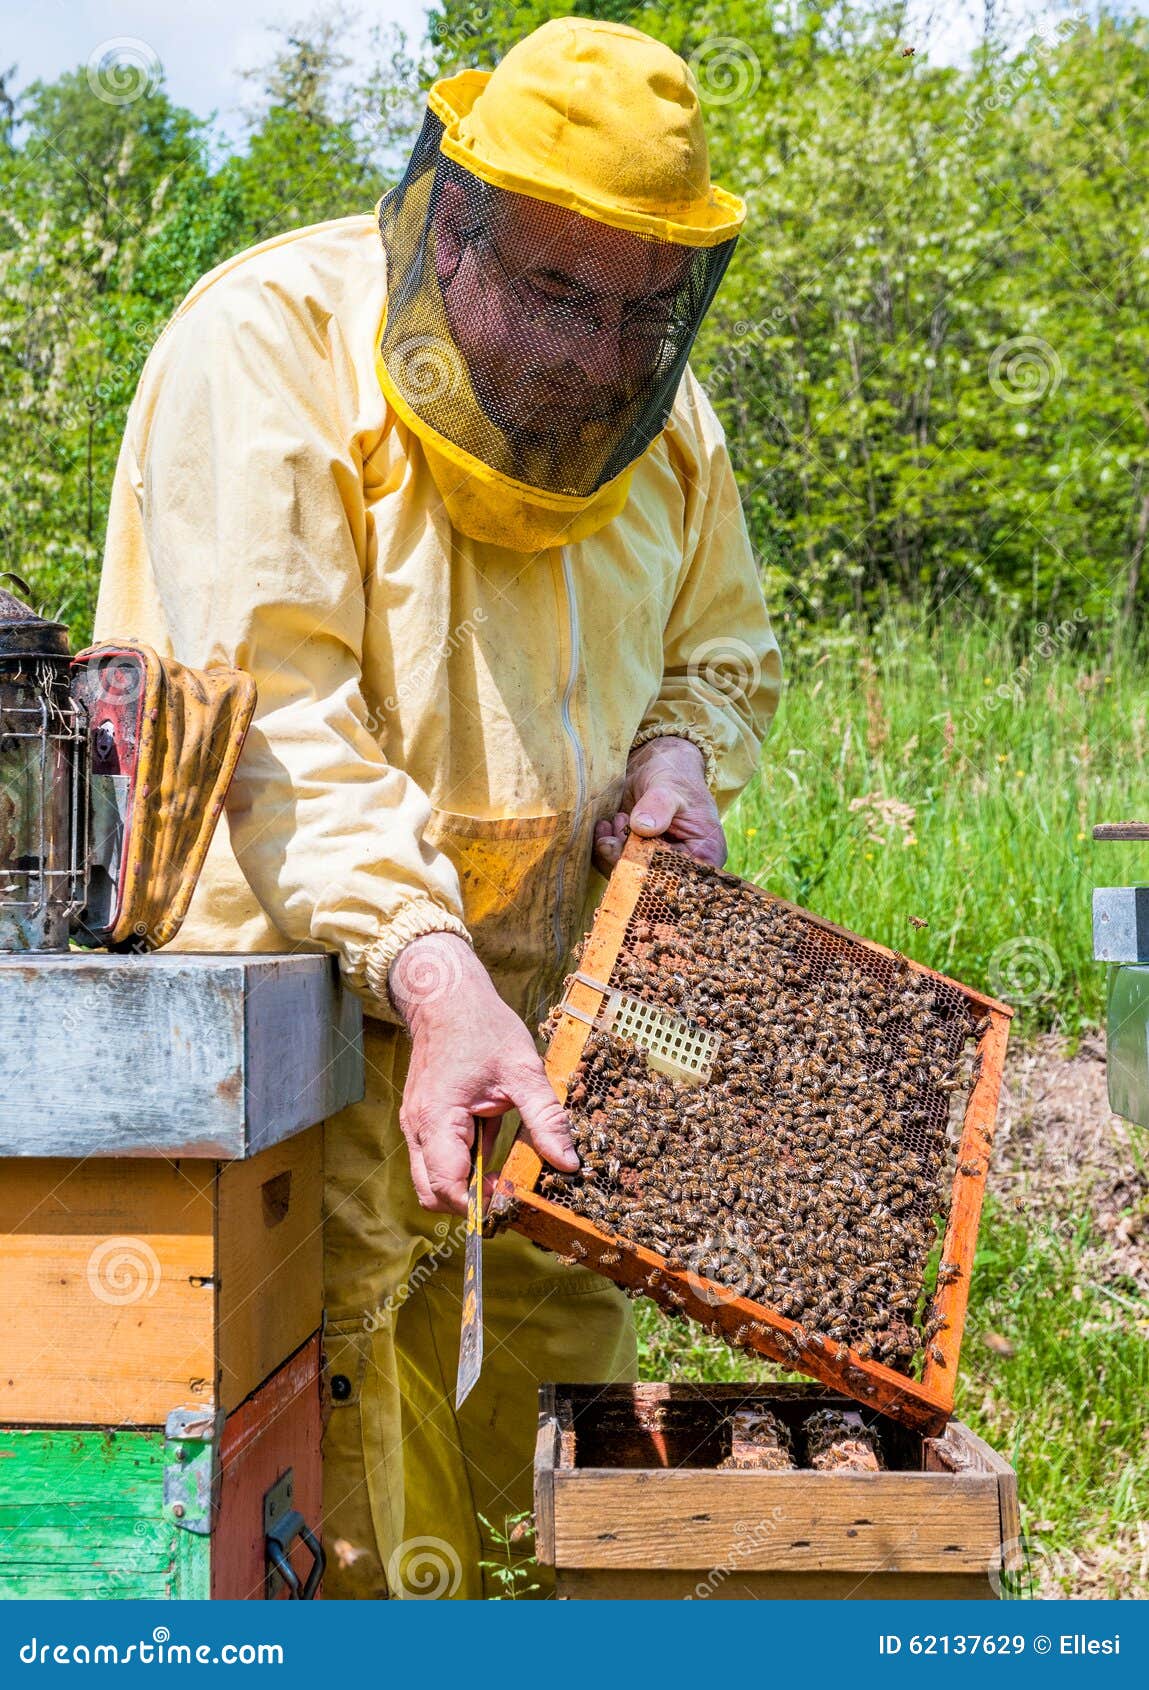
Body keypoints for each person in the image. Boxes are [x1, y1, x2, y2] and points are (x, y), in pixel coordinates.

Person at [95, 16, 782, 1597]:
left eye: (639, 312)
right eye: (557, 294)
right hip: (312, 1071)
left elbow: (721, 652)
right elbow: (276, 719)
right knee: (350, 1542)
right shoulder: (262, 351)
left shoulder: (667, 432)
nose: (599, 359)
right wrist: (423, 954)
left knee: (560, 1498)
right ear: (450, 225)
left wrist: (677, 766)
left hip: (551, 1067)